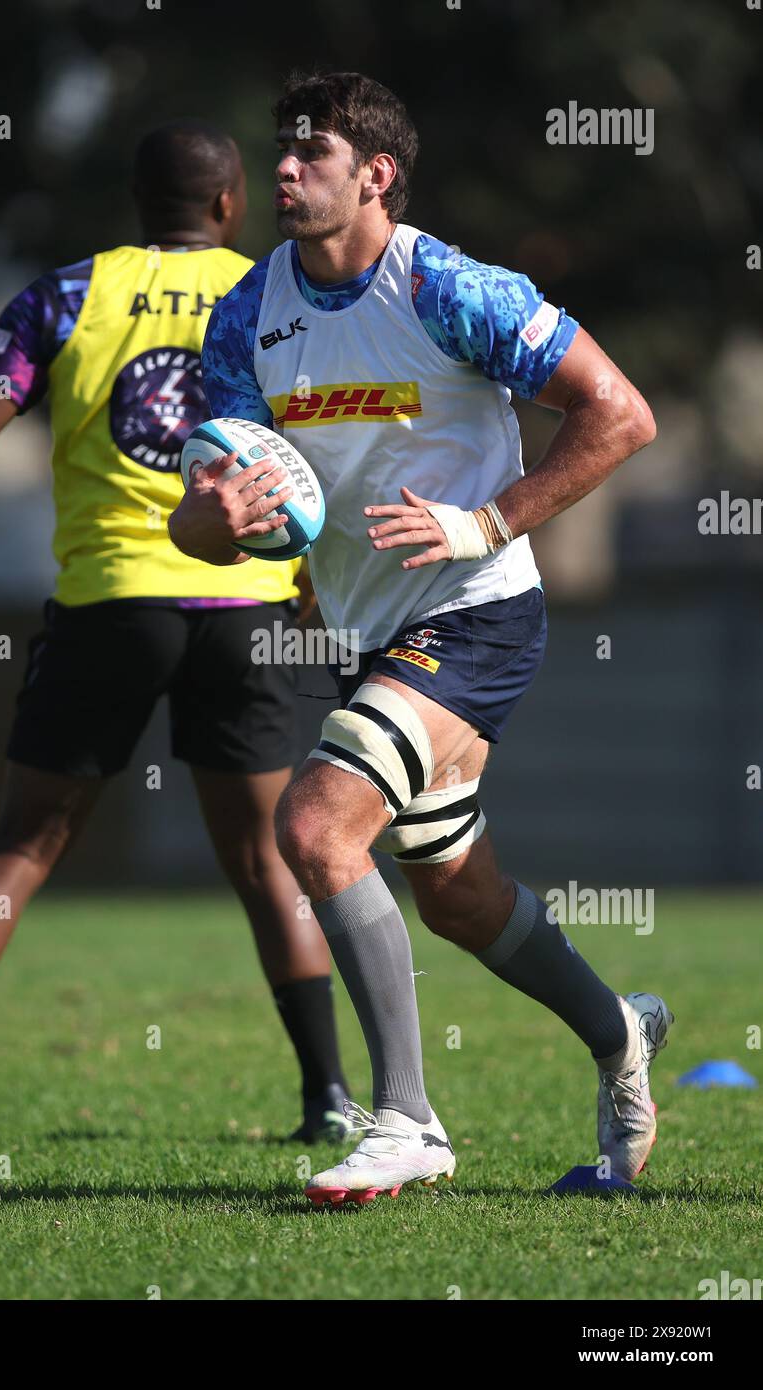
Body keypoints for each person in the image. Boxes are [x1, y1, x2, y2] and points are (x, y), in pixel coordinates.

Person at [168, 74, 673, 1205]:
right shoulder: (247, 314)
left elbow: (621, 414)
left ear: (375, 175)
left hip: (478, 612)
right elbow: (212, 518)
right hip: (362, 634)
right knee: (454, 893)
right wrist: (210, 522)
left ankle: (405, 1119)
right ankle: (619, 1033)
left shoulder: (447, 285)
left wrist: (483, 519)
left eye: (311, 154)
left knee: (314, 822)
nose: (283, 171)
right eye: (278, 152)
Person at [0, 120, 351, 1147]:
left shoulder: (67, 295)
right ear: (229, 205)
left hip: (107, 607)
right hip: (246, 608)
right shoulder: (276, 293)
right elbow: (322, 453)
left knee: (25, 841)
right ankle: (328, 1097)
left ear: (136, 204)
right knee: (267, 860)